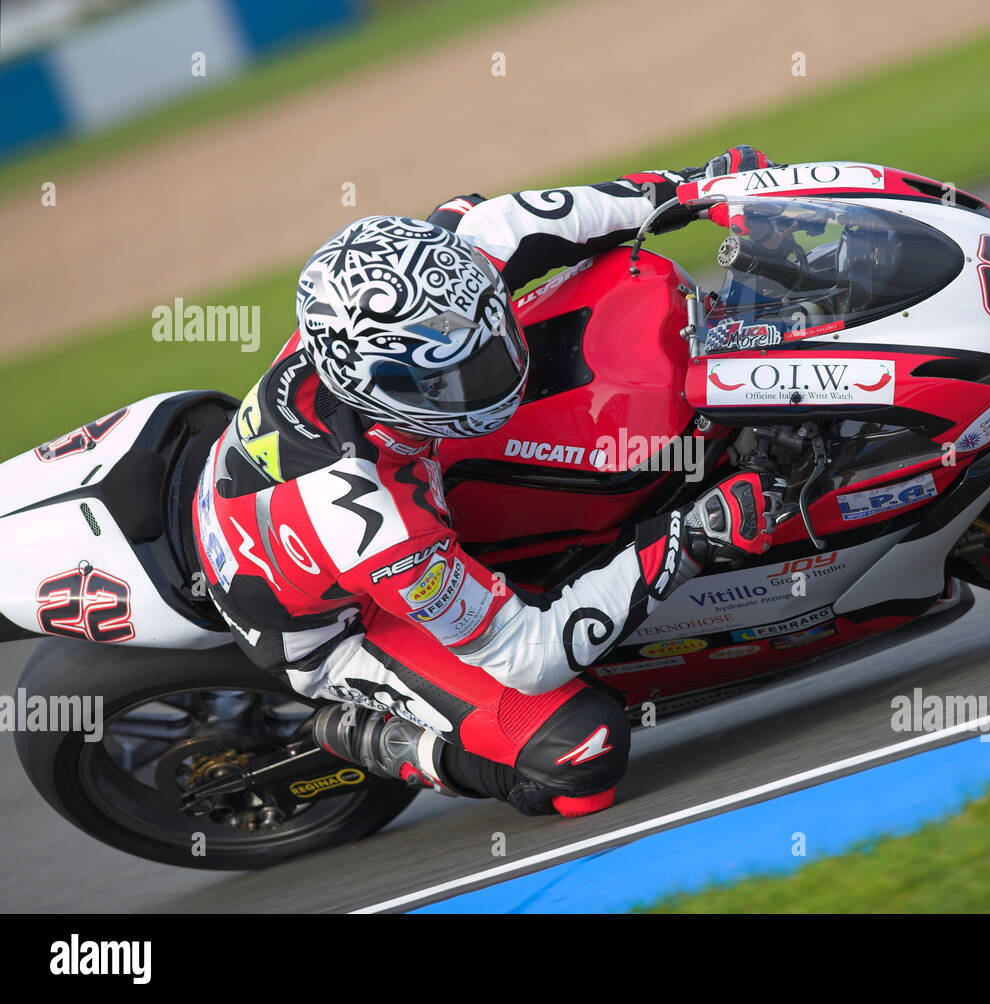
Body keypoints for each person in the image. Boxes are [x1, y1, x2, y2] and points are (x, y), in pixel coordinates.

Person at [192, 147, 781, 817]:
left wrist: (693, 189)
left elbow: (551, 216)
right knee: (581, 755)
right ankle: (384, 740)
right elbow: (528, 655)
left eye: (491, 342)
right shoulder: (365, 519)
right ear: (380, 391)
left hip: (385, 480)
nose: (498, 374)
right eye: (456, 378)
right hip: (340, 621)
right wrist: (687, 540)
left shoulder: (437, 271)